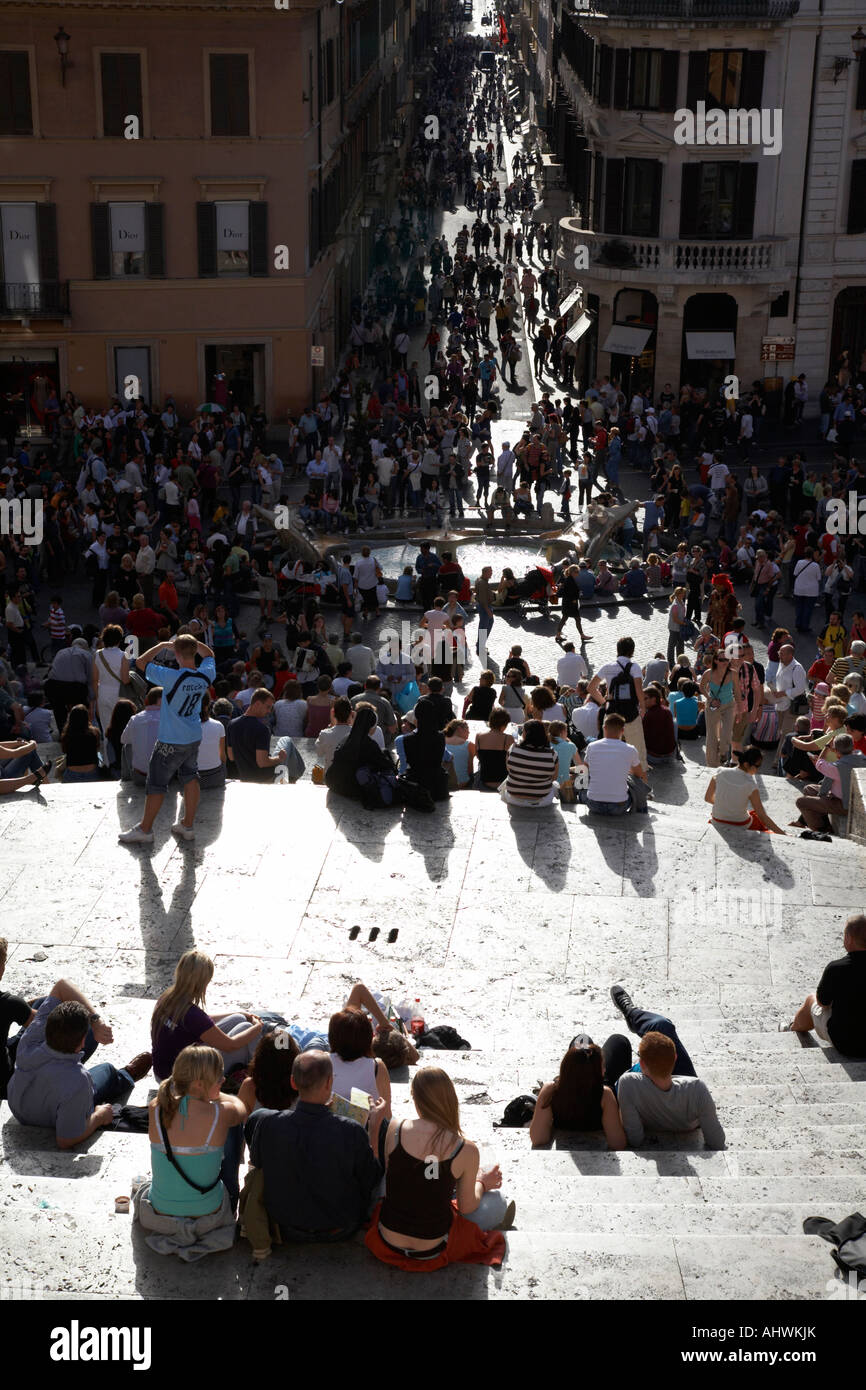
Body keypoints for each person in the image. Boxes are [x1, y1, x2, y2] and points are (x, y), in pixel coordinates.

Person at [365, 1067, 510, 1270]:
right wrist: (482, 1183)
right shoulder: (465, 1148)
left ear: (415, 1098)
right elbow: (467, 1207)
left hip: (387, 1238)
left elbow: (393, 1182)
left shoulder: (395, 1127)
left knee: (397, 1180)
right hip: (433, 1247)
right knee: (498, 1201)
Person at [245, 1050, 382, 1244]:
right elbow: (372, 1179)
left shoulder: (268, 1124)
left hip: (285, 1225)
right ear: (329, 1082)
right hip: (340, 1227)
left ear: (293, 1082)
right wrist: (374, 1131)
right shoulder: (351, 1130)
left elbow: (258, 1163)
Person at [135, 1045, 246, 1258]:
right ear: (199, 1084)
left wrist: (207, 1092)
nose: (222, 1082)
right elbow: (241, 1109)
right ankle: (233, 1192)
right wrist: (218, 1096)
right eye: (219, 1079)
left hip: (159, 1215)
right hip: (208, 1215)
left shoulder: (156, 1106)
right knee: (233, 1128)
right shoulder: (221, 1112)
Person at [7, 991, 151, 1148]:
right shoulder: (79, 1079)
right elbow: (65, 1140)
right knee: (107, 1070)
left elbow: (60, 987)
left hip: (19, 1109)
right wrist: (99, 1117)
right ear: (83, 1042)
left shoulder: (30, 1039)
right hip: (47, 1119)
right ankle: (125, 1075)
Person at [119, 633, 216, 845]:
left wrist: (162, 645)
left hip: (170, 740)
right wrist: (191, 644)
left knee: (156, 784)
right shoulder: (206, 675)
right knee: (190, 777)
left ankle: (145, 830)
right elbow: (209, 654)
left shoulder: (170, 677)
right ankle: (187, 826)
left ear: (177, 654)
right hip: (193, 736)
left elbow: (140, 662)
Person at [609, 987, 725, 1149]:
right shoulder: (697, 1089)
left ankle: (632, 1013)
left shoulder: (628, 1084)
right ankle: (633, 1014)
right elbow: (717, 1142)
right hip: (684, 1106)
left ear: (641, 1065)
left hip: (641, 1093)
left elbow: (635, 1139)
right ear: (676, 1058)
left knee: (620, 1042)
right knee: (663, 1026)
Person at [150, 949, 266, 1083]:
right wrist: (257, 1027)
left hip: (163, 1072)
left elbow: (204, 1022)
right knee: (246, 1028)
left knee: (239, 1019)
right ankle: (262, 1073)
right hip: (182, 1081)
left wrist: (239, 1013)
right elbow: (230, 1045)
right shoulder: (192, 1015)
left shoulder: (166, 999)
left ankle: (257, 1066)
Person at [781, 914, 866, 1056]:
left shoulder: (836, 968)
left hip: (847, 1044)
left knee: (811, 1000)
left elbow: (823, 1003)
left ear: (849, 939)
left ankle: (792, 1029)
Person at [530, 1037, 627, 1149]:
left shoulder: (550, 1090)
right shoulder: (605, 1094)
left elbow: (538, 1139)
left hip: (568, 1089)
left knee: (583, 1038)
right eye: (603, 1067)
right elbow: (617, 1143)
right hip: (595, 1089)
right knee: (619, 1041)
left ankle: (577, 1065)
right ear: (599, 1071)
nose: (604, 1070)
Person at [591, 636, 648, 770]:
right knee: (637, 750)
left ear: (617, 650)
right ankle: (640, 781)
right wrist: (643, 708)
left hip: (612, 713)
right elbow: (639, 691)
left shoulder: (607, 667)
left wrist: (604, 702)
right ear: (632, 651)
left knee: (611, 750)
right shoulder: (635, 667)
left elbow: (591, 688)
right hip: (631, 714)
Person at [791, 731, 866, 832]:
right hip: (850, 799)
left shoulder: (838, 767)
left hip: (843, 804)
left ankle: (819, 829)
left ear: (835, 750)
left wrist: (826, 747)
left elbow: (819, 763)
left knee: (801, 802)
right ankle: (823, 822)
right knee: (809, 789)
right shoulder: (860, 757)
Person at [325, 703, 397, 806]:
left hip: (332, 781)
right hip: (349, 788)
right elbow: (385, 765)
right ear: (371, 726)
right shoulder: (369, 744)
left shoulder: (346, 738)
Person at [705, 745, 786, 832]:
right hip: (740, 823)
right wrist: (782, 833)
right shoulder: (750, 785)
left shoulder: (720, 772)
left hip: (717, 819)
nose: (758, 769)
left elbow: (707, 798)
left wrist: (726, 804)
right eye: (757, 766)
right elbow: (762, 815)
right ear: (747, 764)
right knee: (757, 819)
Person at [584, 712, 649, 815]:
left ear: (604, 728)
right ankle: (642, 810)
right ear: (622, 730)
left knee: (583, 780)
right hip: (619, 807)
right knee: (636, 782)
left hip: (593, 804)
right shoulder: (630, 749)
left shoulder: (592, 746)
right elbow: (639, 774)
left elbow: (584, 770)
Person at [227, 687, 297, 784]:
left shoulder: (232, 724)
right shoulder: (262, 729)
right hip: (264, 777)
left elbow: (231, 756)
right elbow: (262, 762)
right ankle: (294, 776)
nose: (269, 711)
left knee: (284, 744)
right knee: (286, 741)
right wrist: (279, 759)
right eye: (268, 707)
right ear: (258, 704)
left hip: (244, 776)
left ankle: (293, 776)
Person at [328, 1007, 391, 1111]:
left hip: (329, 1125)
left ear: (332, 1037)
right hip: (367, 1126)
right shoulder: (376, 1066)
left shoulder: (322, 1062)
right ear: (368, 1037)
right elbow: (386, 1112)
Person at [400, 698, 450, 800]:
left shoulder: (407, 739)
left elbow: (410, 761)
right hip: (438, 788)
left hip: (417, 787)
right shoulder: (440, 737)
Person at [501, 719, 559, 806]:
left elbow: (509, 770)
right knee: (555, 784)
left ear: (526, 733)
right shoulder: (552, 754)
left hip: (513, 798)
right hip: (541, 801)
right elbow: (554, 777)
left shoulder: (513, 749)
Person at [699, 650, 736, 769]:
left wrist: (740, 709)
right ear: (715, 660)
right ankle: (712, 764)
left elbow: (738, 692)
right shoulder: (708, 673)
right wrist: (710, 698)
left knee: (726, 733)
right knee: (712, 735)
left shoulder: (733, 674)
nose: (725, 662)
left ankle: (722, 752)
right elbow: (701, 687)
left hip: (729, 705)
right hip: (712, 706)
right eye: (721, 660)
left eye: (727, 659)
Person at [59, 704, 102, 783]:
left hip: (72, 773)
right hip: (92, 772)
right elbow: (97, 748)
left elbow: (64, 750)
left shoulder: (67, 734)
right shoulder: (95, 732)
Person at [555, 565, 590, 645]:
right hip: (570, 603)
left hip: (568, 603)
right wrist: (575, 597)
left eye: (578, 571)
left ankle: (558, 635)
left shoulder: (570, 579)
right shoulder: (569, 580)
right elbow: (569, 592)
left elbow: (569, 591)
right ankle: (582, 635)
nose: (578, 573)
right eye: (576, 572)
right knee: (574, 619)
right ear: (571, 572)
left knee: (566, 619)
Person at [642, 688, 678, 765]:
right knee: (674, 723)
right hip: (670, 755)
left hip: (654, 757)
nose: (642, 701)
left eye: (645, 698)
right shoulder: (667, 711)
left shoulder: (649, 715)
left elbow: (643, 737)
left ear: (653, 699)